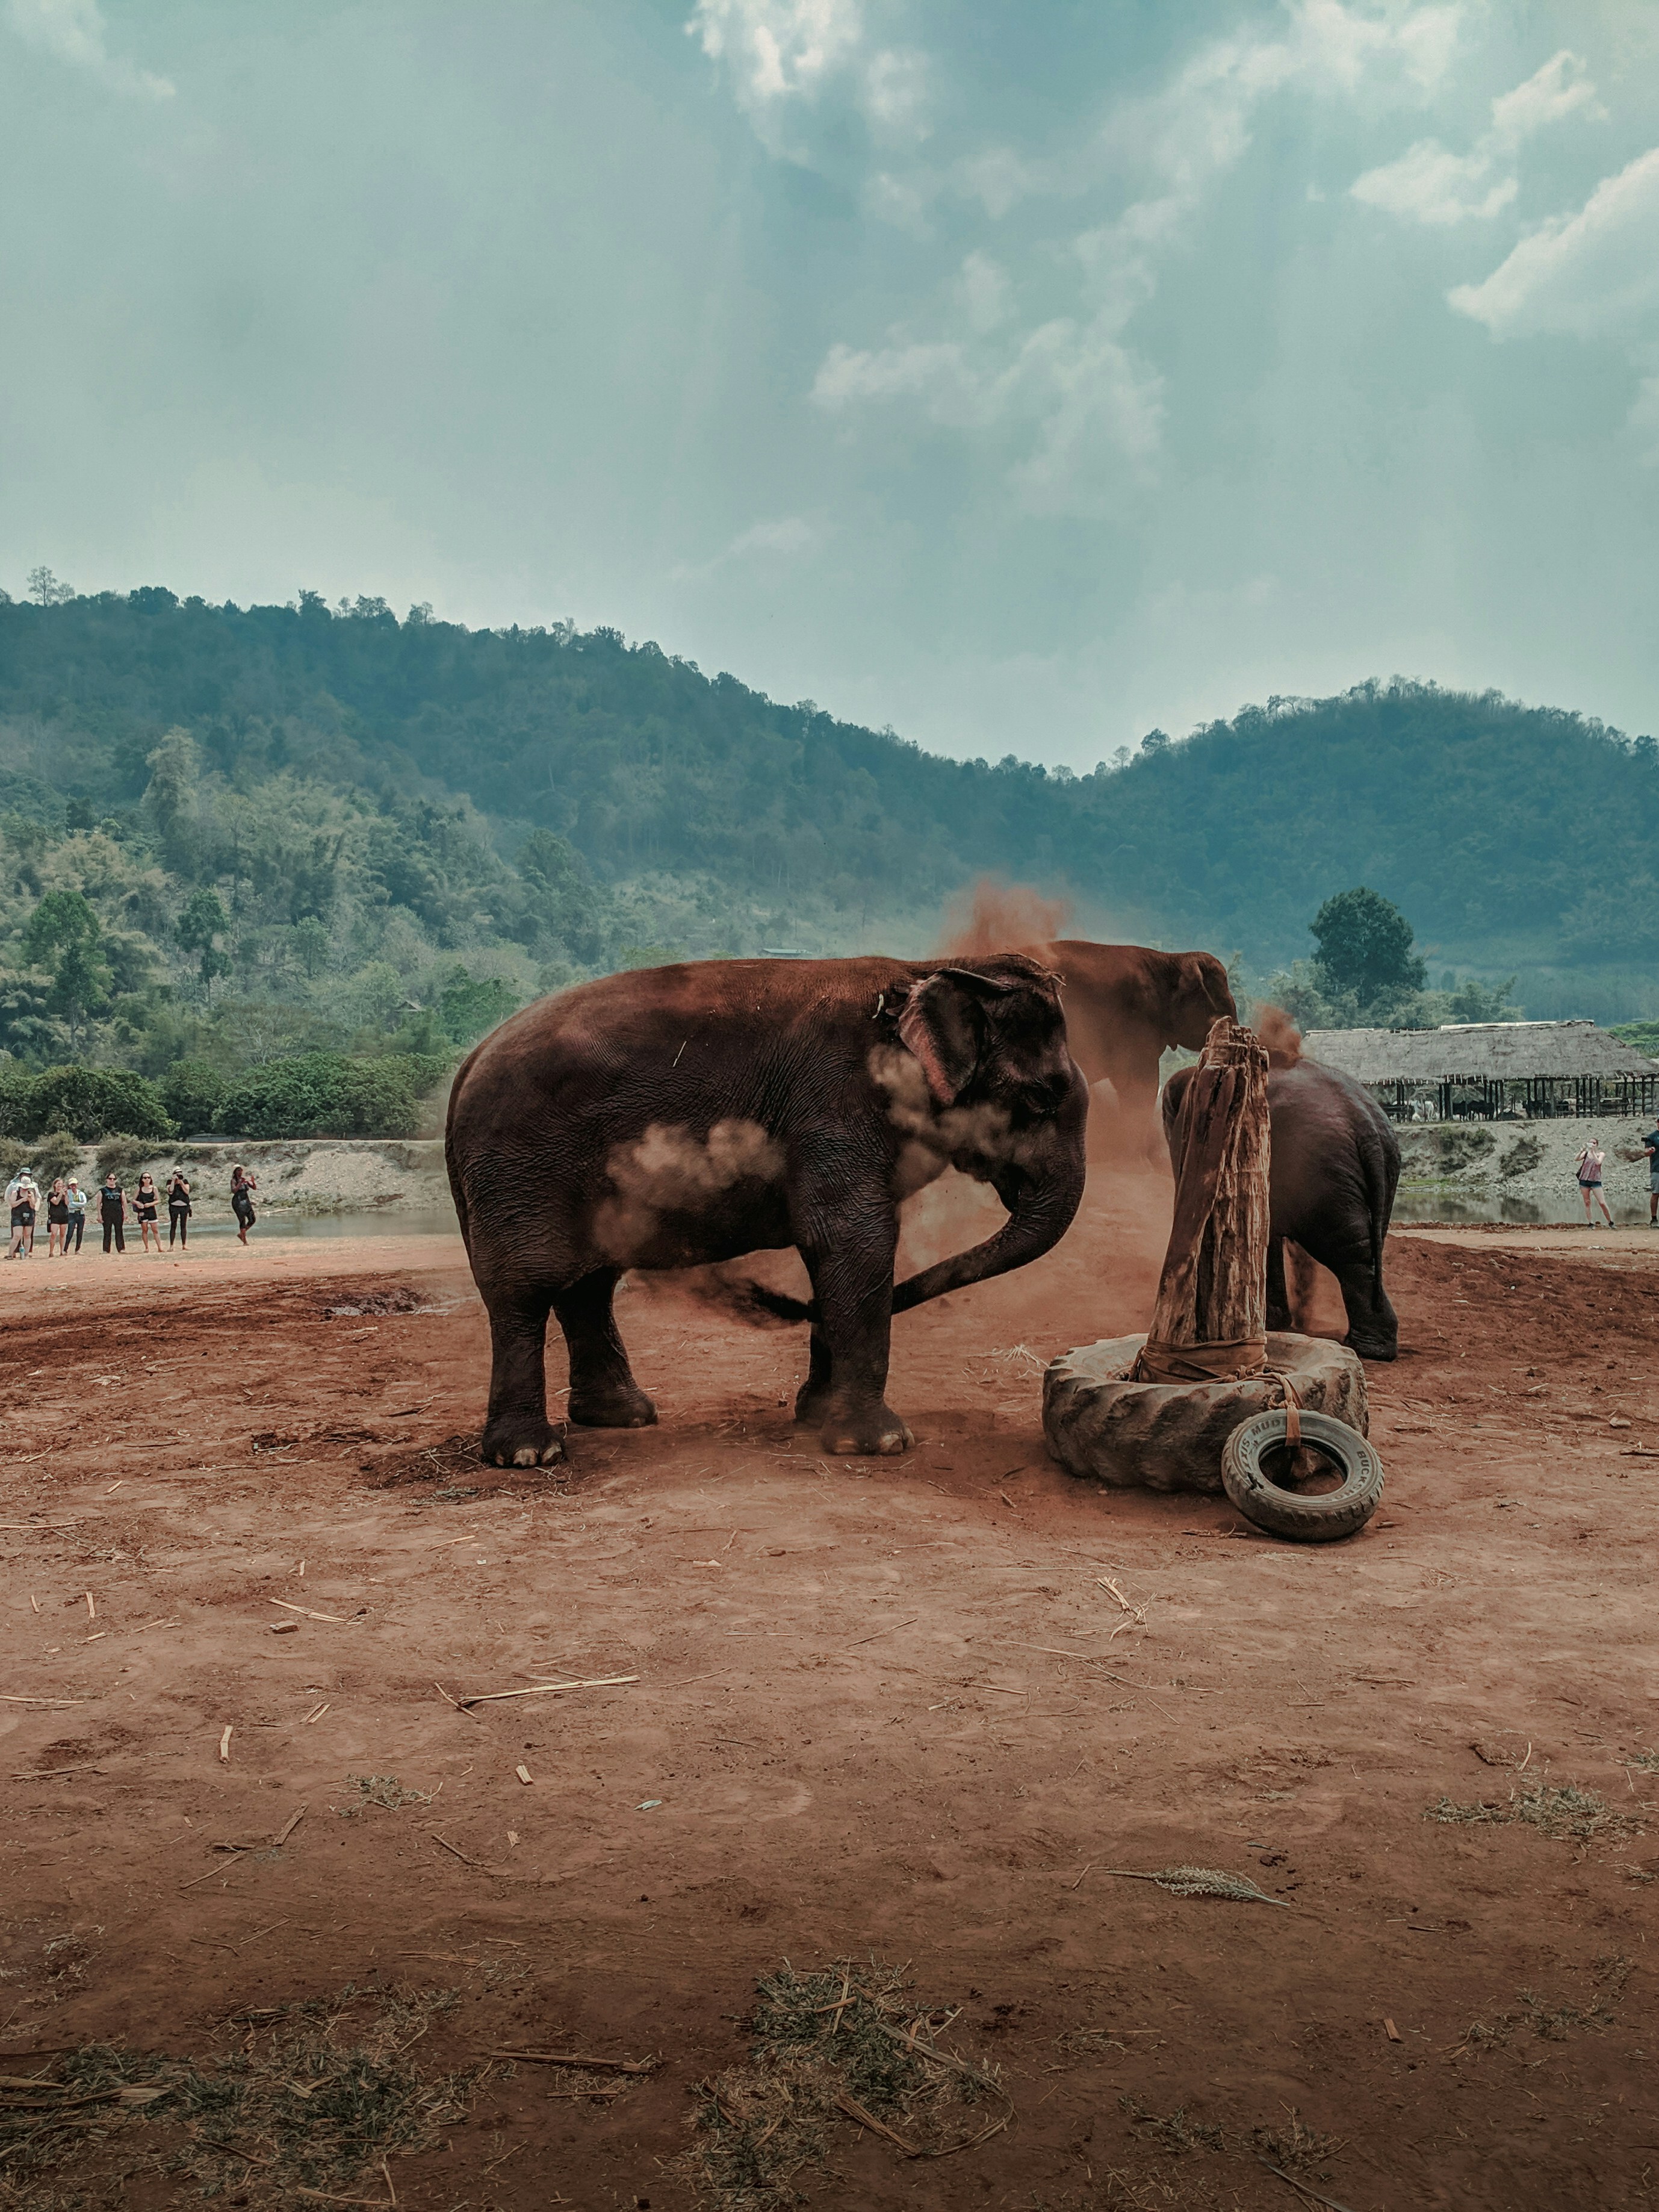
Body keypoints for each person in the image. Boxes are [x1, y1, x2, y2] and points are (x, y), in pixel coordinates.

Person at [1575, 1134, 1614, 1228]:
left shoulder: (1601, 1154)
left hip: (1596, 1181)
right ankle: (1591, 1223)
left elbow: (1598, 1163)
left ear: (1597, 1144)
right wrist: (1581, 1151)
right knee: (1587, 1202)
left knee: (1602, 1202)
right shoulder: (1586, 1154)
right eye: (1590, 1143)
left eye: (1594, 1143)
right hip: (1584, 1180)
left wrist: (1593, 1152)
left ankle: (1610, 1221)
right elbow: (1576, 1159)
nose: (1592, 1145)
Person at [7, 1170, 38, 1258]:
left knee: (27, 1235)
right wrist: (22, 1200)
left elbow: (33, 1206)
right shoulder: (15, 1193)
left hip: (29, 1214)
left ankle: (26, 1254)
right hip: (18, 1216)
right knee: (17, 1235)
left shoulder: (31, 1193)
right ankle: (10, 1254)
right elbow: (13, 1204)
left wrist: (30, 1200)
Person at [133, 1170, 163, 1254]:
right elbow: (133, 1200)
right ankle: (147, 1248)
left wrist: (150, 1204)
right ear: (142, 1179)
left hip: (151, 1210)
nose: (147, 1179)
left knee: (155, 1230)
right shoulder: (139, 1189)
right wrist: (138, 1203)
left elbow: (158, 1200)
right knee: (145, 1230)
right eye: (145, 1178)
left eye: (149, 1178)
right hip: (142, 1211)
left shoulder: (154, 1188)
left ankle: (160, 1248)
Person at [99, 1169, 126, 1255]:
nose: (112, 1180)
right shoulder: (102, 1191)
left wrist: (126, 1213)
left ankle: (121, 1248)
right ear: (107, 1180)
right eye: (110, 1179)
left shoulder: (120, 1190)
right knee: (107, 1232)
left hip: (118, 1213)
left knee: (119, 1231)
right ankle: (106, 1250)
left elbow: (124, 1202)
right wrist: (99, 1215)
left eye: (114, 1179)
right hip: (106, 1214)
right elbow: (98, 1204)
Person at [231, 1163, 258, 1245]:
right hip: (238, 1202)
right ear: (235, 1172)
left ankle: (242, 1234)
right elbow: (234, 1190)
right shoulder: (234, 1181)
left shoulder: (244, 1180)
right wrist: (240, 1183)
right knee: (242, 1221)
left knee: (252, 1219)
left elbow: (254, 1188)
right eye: (238, 1171)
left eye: (241, 1170)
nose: (240, 1172)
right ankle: (245, 1241)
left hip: (246, 1201)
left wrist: (253, 1182)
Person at [167, 1167, 192, 1249]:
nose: (179, 1175)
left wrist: (181, 1183)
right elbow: (171, 1191)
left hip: (184, 1206)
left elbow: (187, 1191)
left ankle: (184, 1245)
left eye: (180, 1173)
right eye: (177, 1173)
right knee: (173, 1225)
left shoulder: (185, 1181)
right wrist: (174, 1182)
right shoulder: (170, 1182)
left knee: (183, 1225)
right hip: (174, 1206)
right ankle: (171, 1246)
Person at [46, 1177, 70, 1258]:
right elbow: (56, 1202)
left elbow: (67, 1203)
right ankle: (51, 1252)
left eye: (61, 1184)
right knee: (54, 1234)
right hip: (55, 1216)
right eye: (59, 1184)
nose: (60, 1185)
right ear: (55, 1185)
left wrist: (66, 1195)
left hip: (64, 1215)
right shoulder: (51, 1194)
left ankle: (62, 1251)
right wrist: (60, 1194)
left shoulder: (64, 1194)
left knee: (63, 1234)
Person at [64, 1178, 87, 1254]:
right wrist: (78, 1205)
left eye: (74, 1185)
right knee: (70, 1232)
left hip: (81, 1214)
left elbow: (84, 1203)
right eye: (72, 1185)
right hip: (72, 1214)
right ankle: (65, 1249)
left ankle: (78, 1249)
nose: (73, 1186)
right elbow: (69, 1205)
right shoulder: (68, 1193)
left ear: (77, 1185)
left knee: (80, 1232)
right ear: (70, 1186)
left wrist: (74, 1204)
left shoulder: (81, 1193)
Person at [1643, 1120, 1659, 1228]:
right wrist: (1650, 1151)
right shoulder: (1652, 1137)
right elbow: (1645, 1152)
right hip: (1657, 1168)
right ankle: (1654, 1218)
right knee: (1656, 1193)